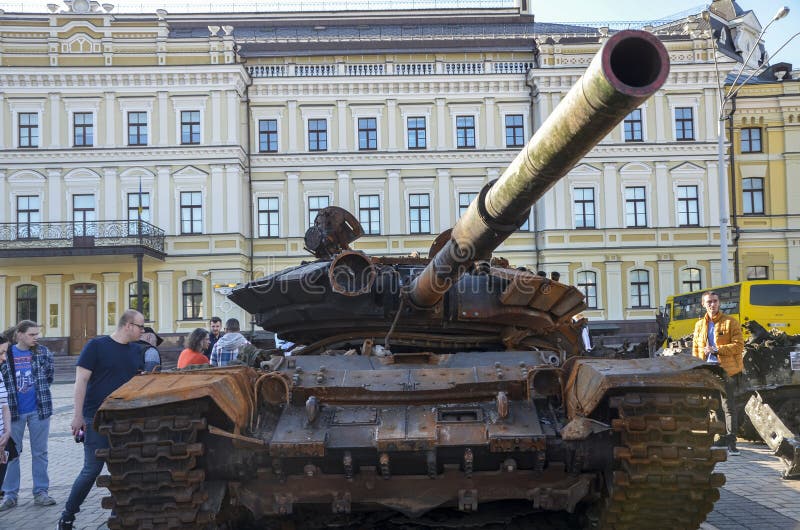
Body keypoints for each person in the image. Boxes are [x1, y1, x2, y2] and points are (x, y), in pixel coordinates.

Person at [55, 309, 145, 530]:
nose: (143, 331)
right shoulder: (96, 346)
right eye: (140, 327)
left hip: (125, 419)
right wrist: (78, 416)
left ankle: (118, 515)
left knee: (124, 469)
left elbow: (137, 382)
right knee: (91, 470)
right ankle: (67, 516)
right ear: (128, 325)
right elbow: (81, 381)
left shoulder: (137, 350)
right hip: (96, 417)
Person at [0, 320, 56, 510]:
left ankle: (41, 492)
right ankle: (10, 495)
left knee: (40, 453)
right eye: (32, 334)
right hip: (14, 412)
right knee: (12, 454)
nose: (36, 338)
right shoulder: (6, 354)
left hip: (39, 410)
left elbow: (49, 376)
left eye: (37, 334)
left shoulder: (43, 352)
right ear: (20, 334)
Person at [692, 291, 744, 456]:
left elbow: (739, 346)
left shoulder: (730, 322)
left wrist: (716, 349)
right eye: (709, 302)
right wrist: (696, 367)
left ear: (719, 303)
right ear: (703, 304)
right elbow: (696, 349)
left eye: (715, 301)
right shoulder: (699, 325)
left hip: (727, 370)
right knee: (715, 406)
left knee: (728, 406)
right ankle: (721, 438)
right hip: (708, 370)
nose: (712, 304)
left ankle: (732, 442)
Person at [0, 335, 19, 494]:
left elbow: (5, 404)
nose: (4, 358)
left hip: (2, 441)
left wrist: (7, 431)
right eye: (1, 353)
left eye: (5, 352)